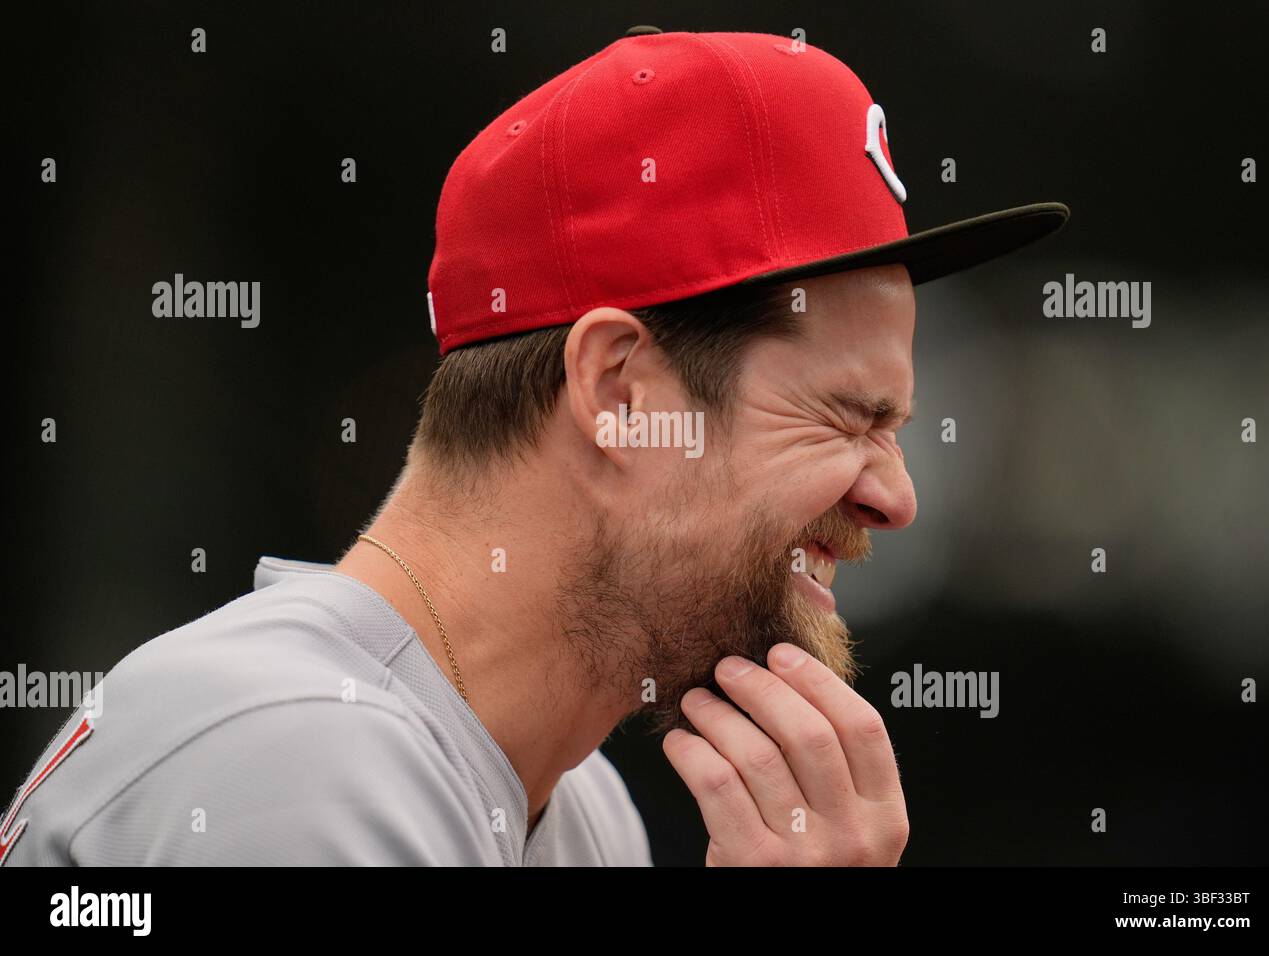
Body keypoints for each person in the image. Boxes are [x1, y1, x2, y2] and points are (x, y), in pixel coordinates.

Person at [2, 28, 1066, 867]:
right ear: (616, 388)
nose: (895, 494)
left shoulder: (570, 803)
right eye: (847, 416)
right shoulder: (295, 759)